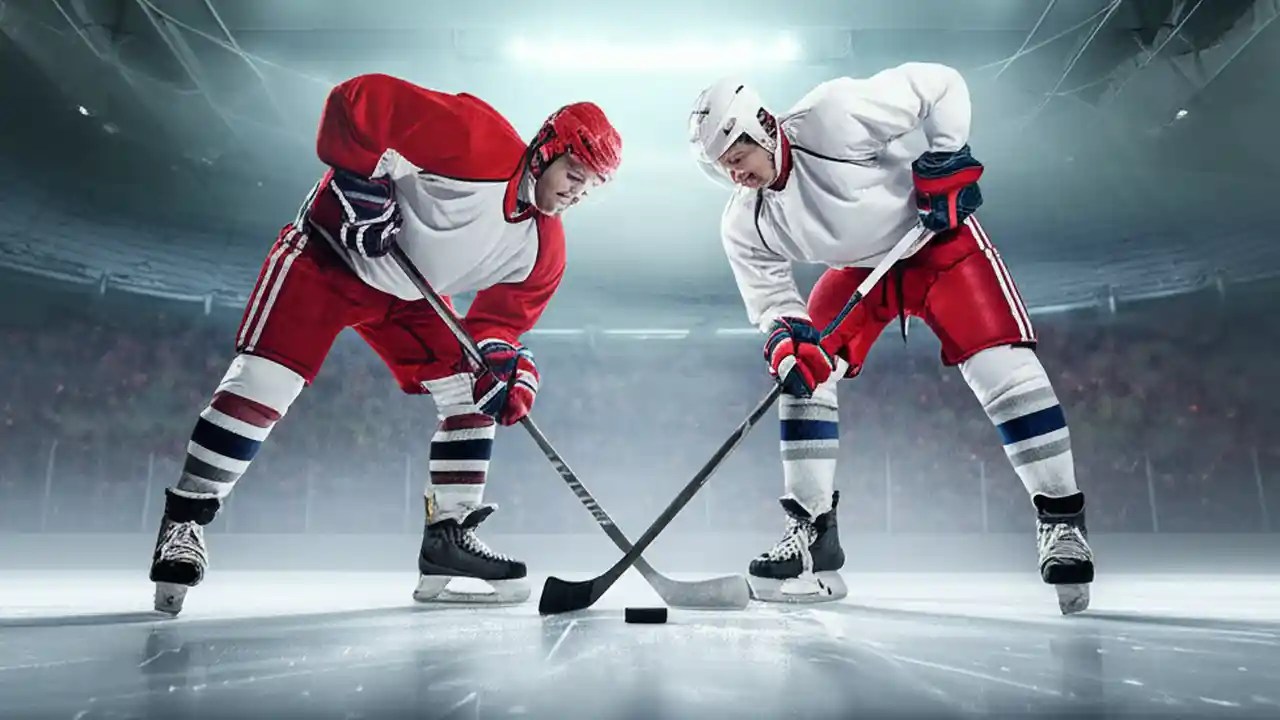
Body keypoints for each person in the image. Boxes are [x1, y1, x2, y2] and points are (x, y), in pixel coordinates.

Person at [148, 73, 622, 614]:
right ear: (545, 150)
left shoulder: (543, 250)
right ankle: (185, 520)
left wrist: (504, 364)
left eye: (589, 186)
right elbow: (353, 103)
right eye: (574, 174)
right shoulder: (476, 139)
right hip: (327, 257)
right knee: (266, 380)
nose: (576, 192)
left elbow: (496, 328)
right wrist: (359, 179)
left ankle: (448, 540)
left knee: (474, 388)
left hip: (411, 294)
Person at [687, 64, 1094, 613]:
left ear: (761, 124)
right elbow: (774, 302)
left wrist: (946, 156)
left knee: (1003, 370)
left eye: (737, 156)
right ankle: (812, 535)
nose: (735, 173)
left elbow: (941, 85)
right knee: (804, 379)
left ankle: (1062, 523)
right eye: (723, 166)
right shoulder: (745, 222)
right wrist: (789, 341)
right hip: (859, 270)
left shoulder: (832, 117)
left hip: (937, 244)